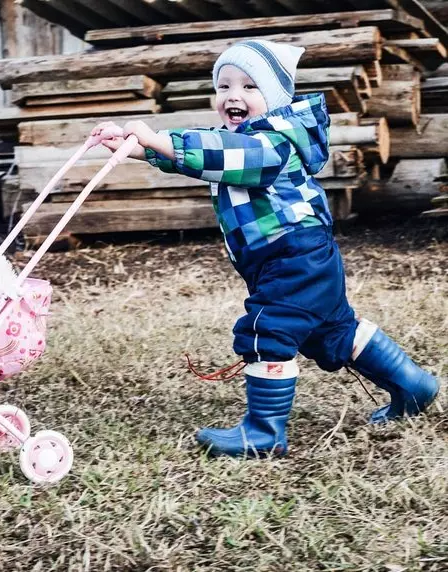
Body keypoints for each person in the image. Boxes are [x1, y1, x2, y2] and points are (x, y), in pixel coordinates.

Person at [92, 39, 440, 458]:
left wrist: (161, 139)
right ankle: (413, 385)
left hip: (294, 256)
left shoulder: (270, 143)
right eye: (223, 87)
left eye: (249, 87)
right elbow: (204, 152)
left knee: (267, 329)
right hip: (294, 259)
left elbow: (222, 154)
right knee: (332, 332)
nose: (233, 95)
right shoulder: (236, 141)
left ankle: (264, 431)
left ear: (273, 99)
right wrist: (139, 147)